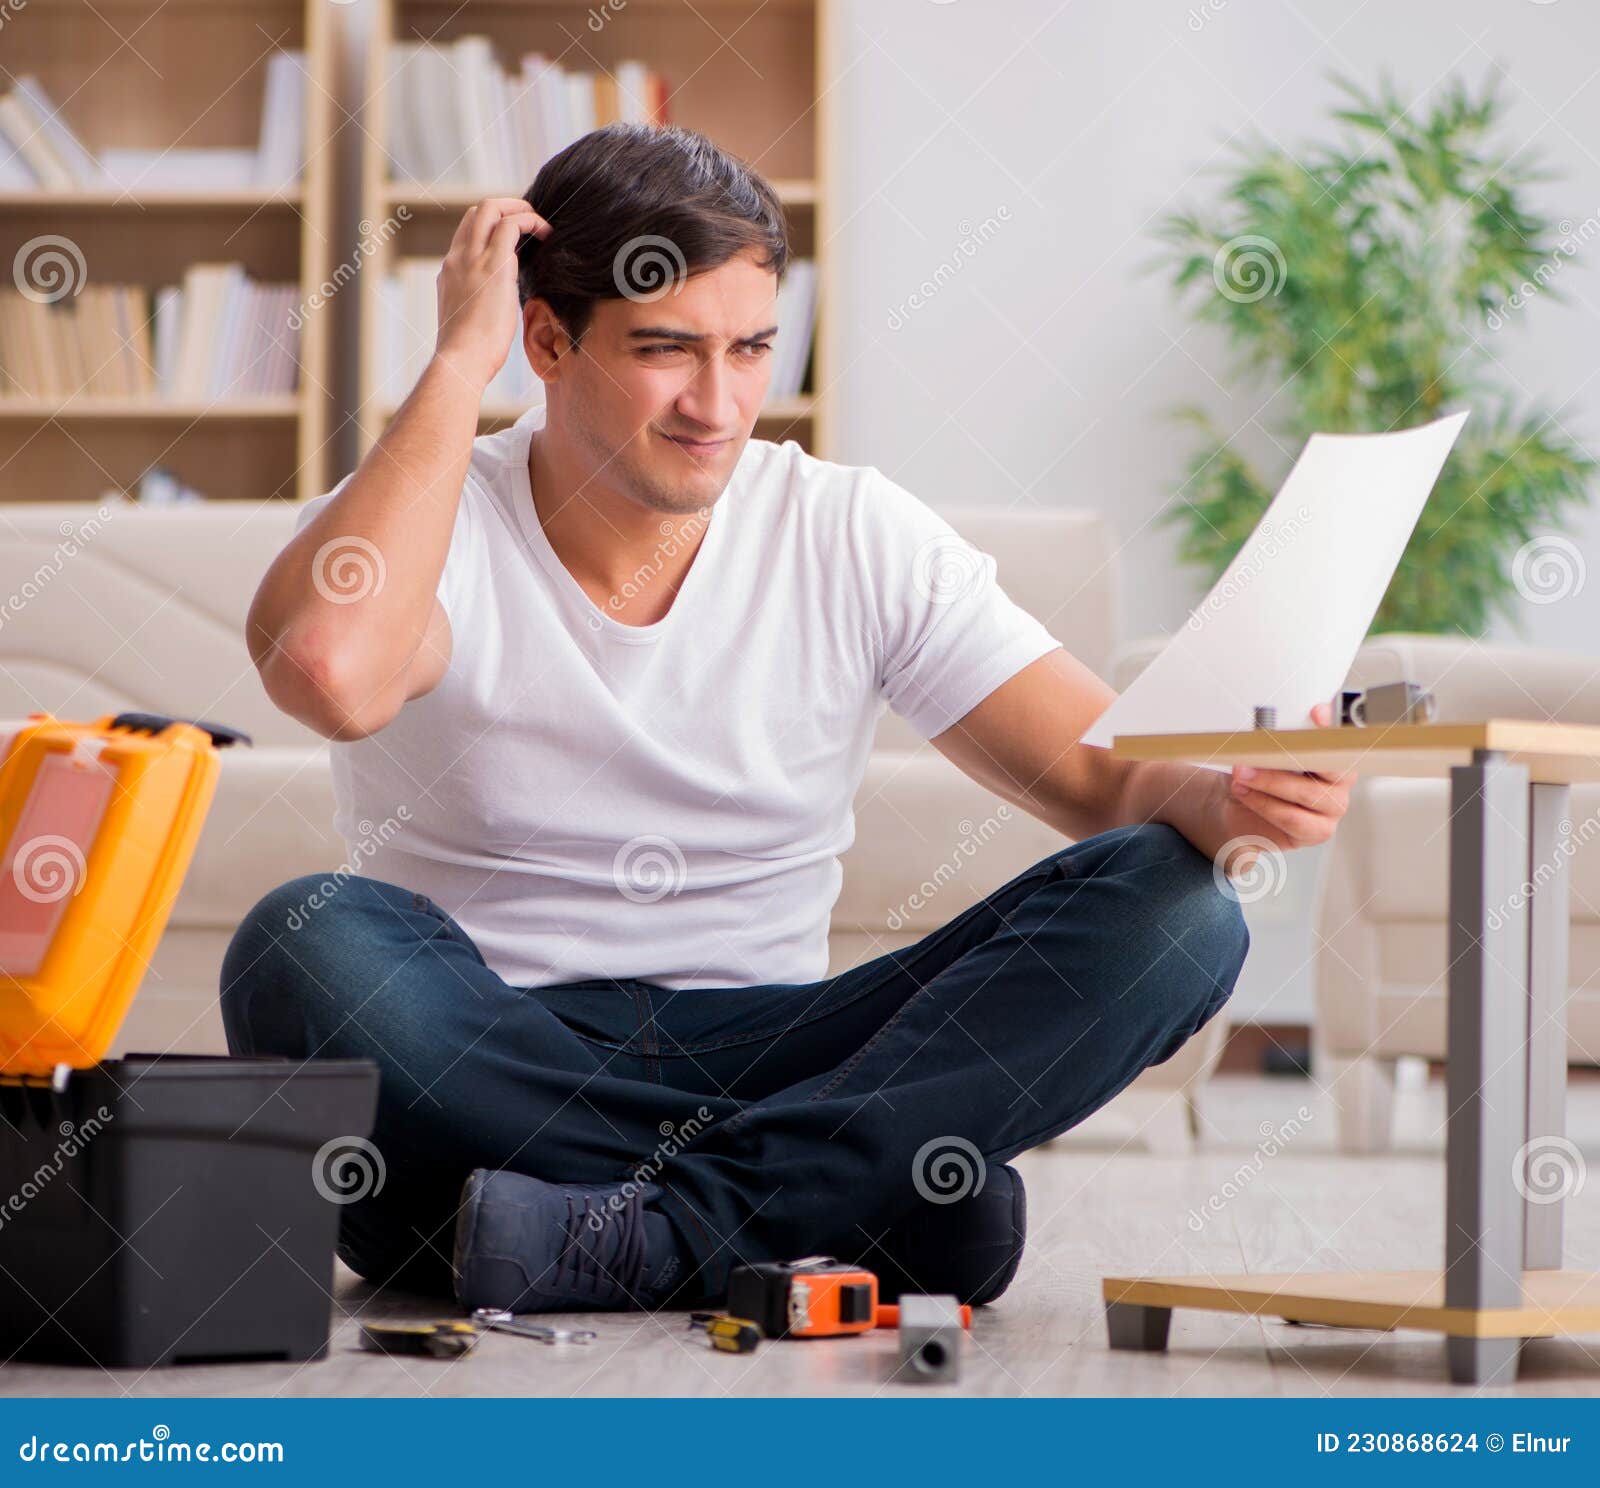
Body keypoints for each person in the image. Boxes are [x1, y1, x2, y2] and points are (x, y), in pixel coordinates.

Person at [223, 123, 1350, 1316]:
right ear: (545, 340)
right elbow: (331, 675)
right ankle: (809, 1207)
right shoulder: (435, 510)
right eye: (667, 351)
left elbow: (1105, 781)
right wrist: (458, 362)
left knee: (1177, 909)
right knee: (306, 940)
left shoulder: (846, 529)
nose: (720, 403)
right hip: (493, 1048)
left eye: (751, 347)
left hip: (776, 1054)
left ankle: (631, 1237)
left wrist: (1223, 795)